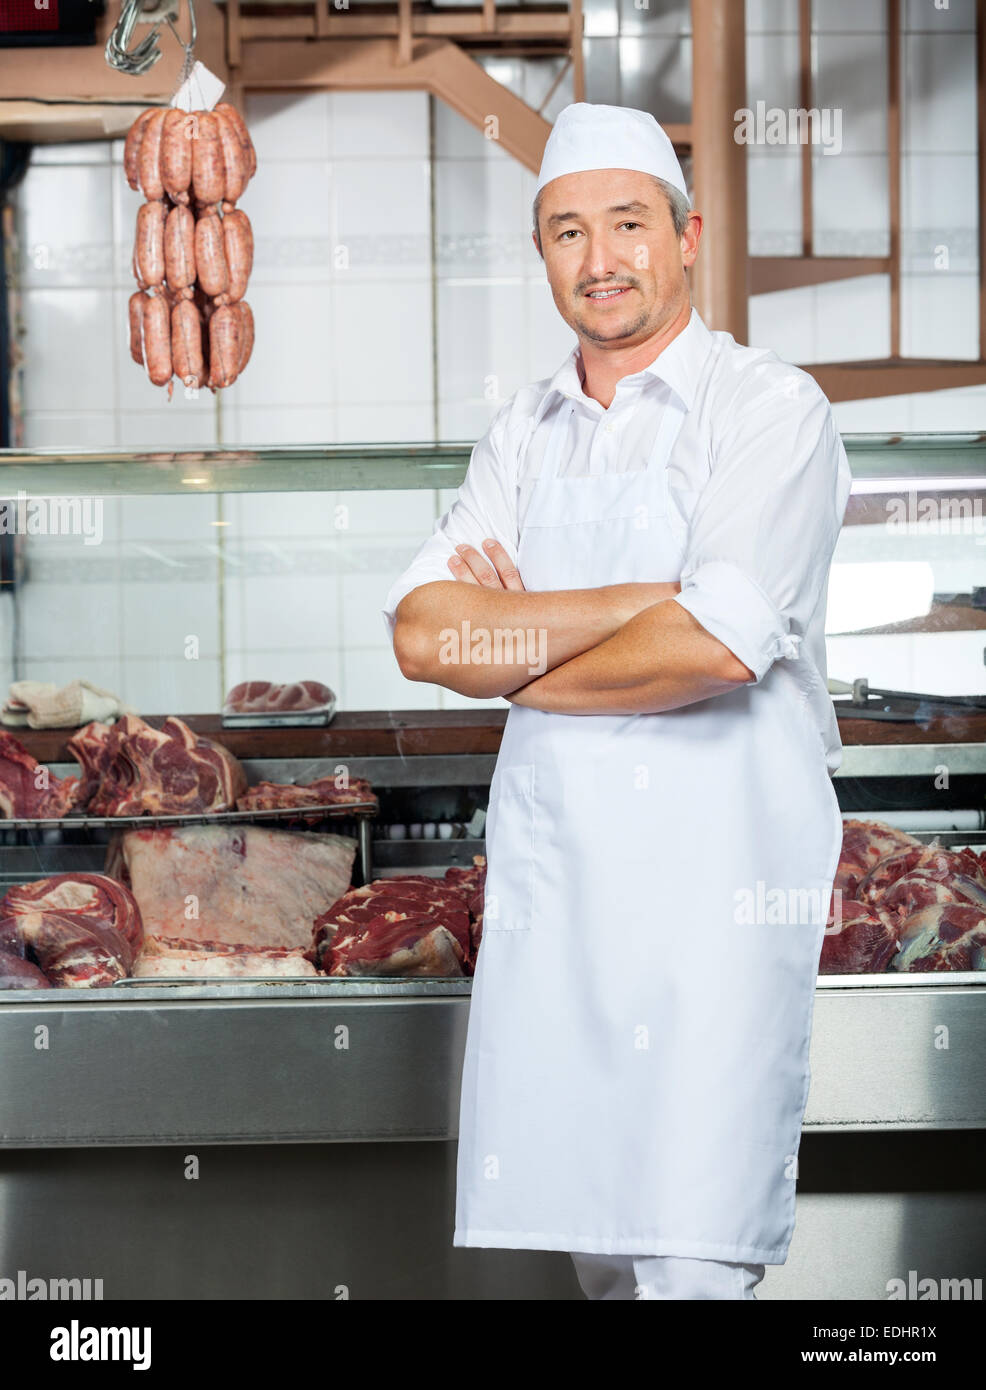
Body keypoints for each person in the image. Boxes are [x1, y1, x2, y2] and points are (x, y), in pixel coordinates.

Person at [383, 102, 852, 1301]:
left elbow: (714, 643)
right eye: (566, 231)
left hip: (711, 933)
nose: (599, 259)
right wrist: (645, 598)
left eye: (628, 224)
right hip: (562, 924)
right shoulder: (524, 433)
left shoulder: (768, 408)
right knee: (597, 1271)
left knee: (693, 1273)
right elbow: (425, 633)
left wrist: (523, 658)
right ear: (540, 253)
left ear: (686, 236)